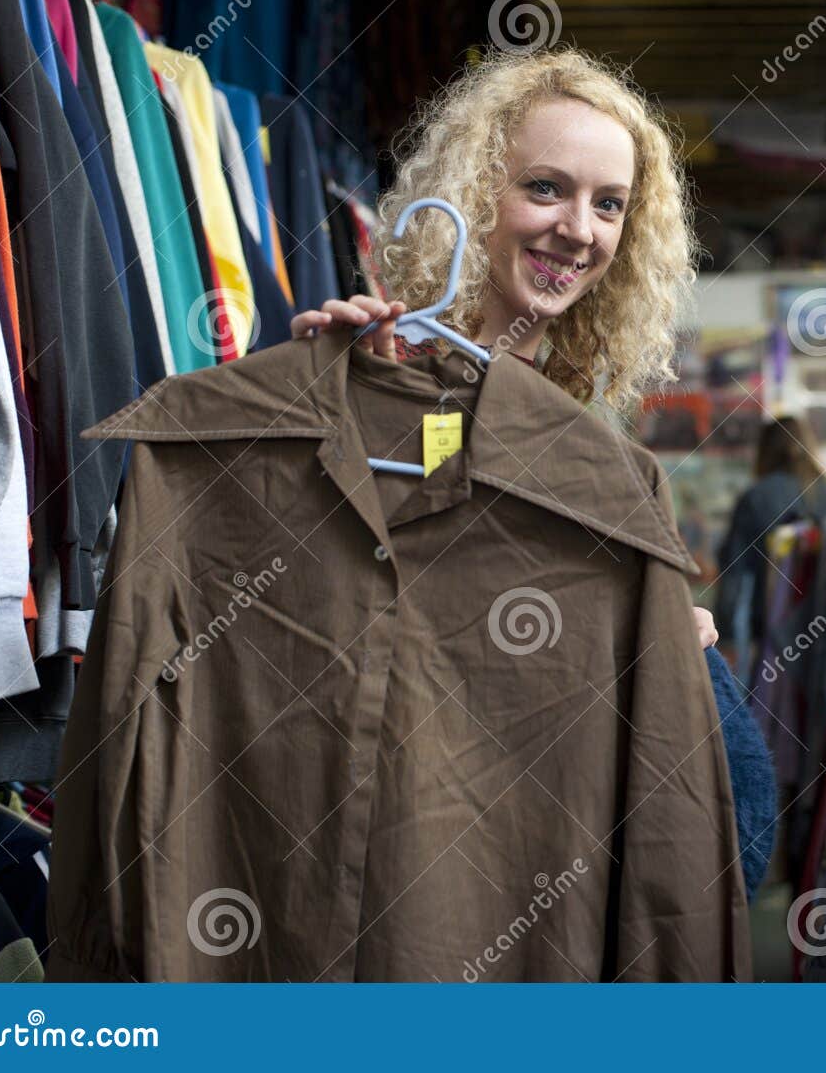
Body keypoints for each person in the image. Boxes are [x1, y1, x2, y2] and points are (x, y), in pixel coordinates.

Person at [292, 47, 774, 896]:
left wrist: (659, 632)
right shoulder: (385, 371)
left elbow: (737, 838)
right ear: (477, 193)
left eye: (610, 204)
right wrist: (335, 404)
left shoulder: (583, 428)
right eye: (546, 188)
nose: (580, 229)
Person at [714, 416, 826, 677]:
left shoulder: (756, 497)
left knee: (771, 705)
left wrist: (726, 637)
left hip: (772, 622)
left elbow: (732, 572)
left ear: (765, 450)